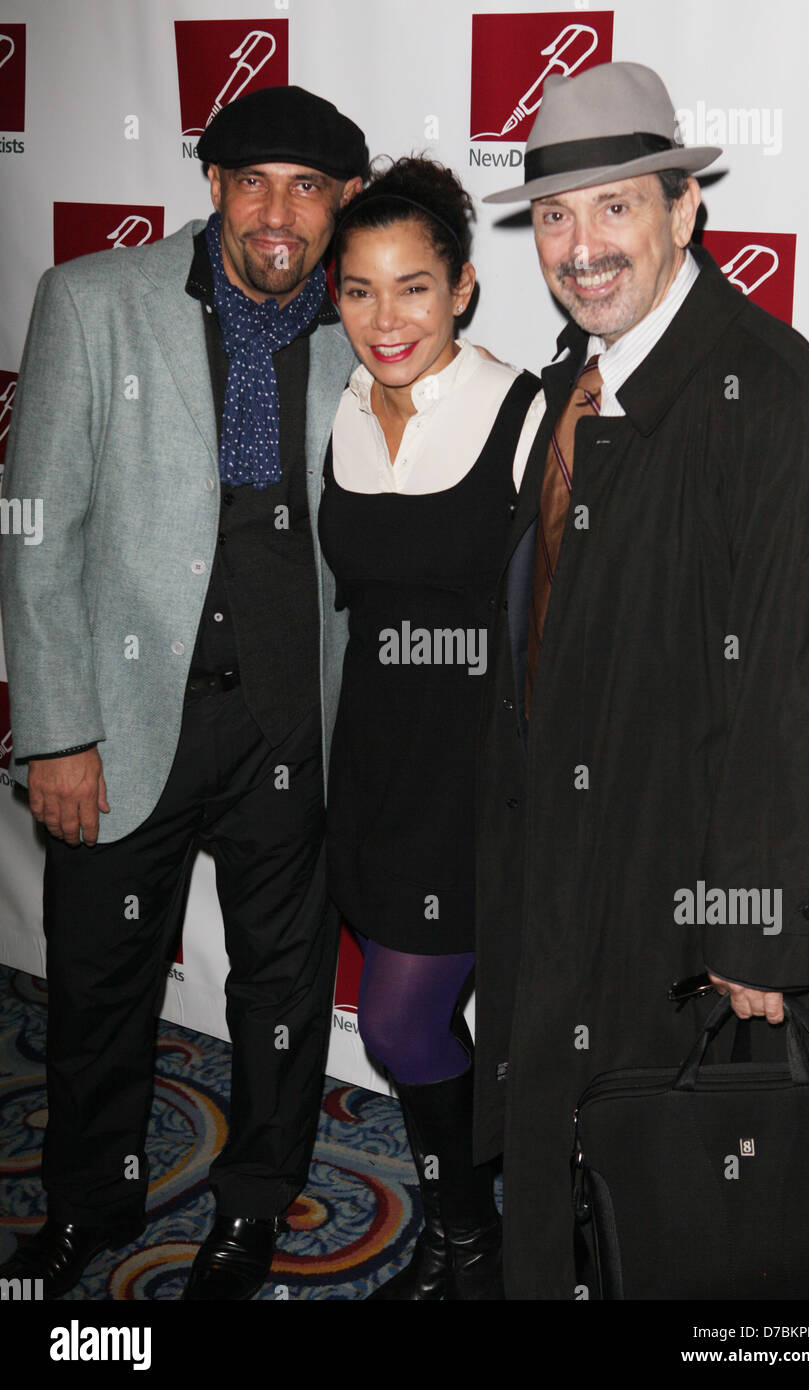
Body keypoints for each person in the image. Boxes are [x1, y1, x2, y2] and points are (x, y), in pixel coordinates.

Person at [472, 61, 809, 1299]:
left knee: (682, 1199)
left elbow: (803, 673)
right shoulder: (568, 382)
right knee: (556, 1139)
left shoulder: (767, 386)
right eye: (551, 215)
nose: (579, 247)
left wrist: (753, 924)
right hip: (564, 864)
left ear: (683, 213)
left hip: (685, 879)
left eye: (615, 208)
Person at [0, 85, 366, 1301]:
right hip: (125, 722)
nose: (278, 212)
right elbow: (39, 533)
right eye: (253, 180)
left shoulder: (365, 325)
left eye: (308, 188)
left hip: (292, 731)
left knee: (281, 993)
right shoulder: (94, 300)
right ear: (209, 186)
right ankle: (88, 1202)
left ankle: (253, 1206)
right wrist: (56, 731)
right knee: (99, 993)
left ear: (341, 204)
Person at [318, 156, 542, 1299]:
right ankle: (466, 1223)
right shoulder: (340, 407)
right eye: (357, 290)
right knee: (415, 1025)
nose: (384, 317)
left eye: (413, 287)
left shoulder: (527, 412)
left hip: (479, 779)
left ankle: (472, 1234)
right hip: (372, 762)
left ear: (461, 287)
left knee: (404, 1026)